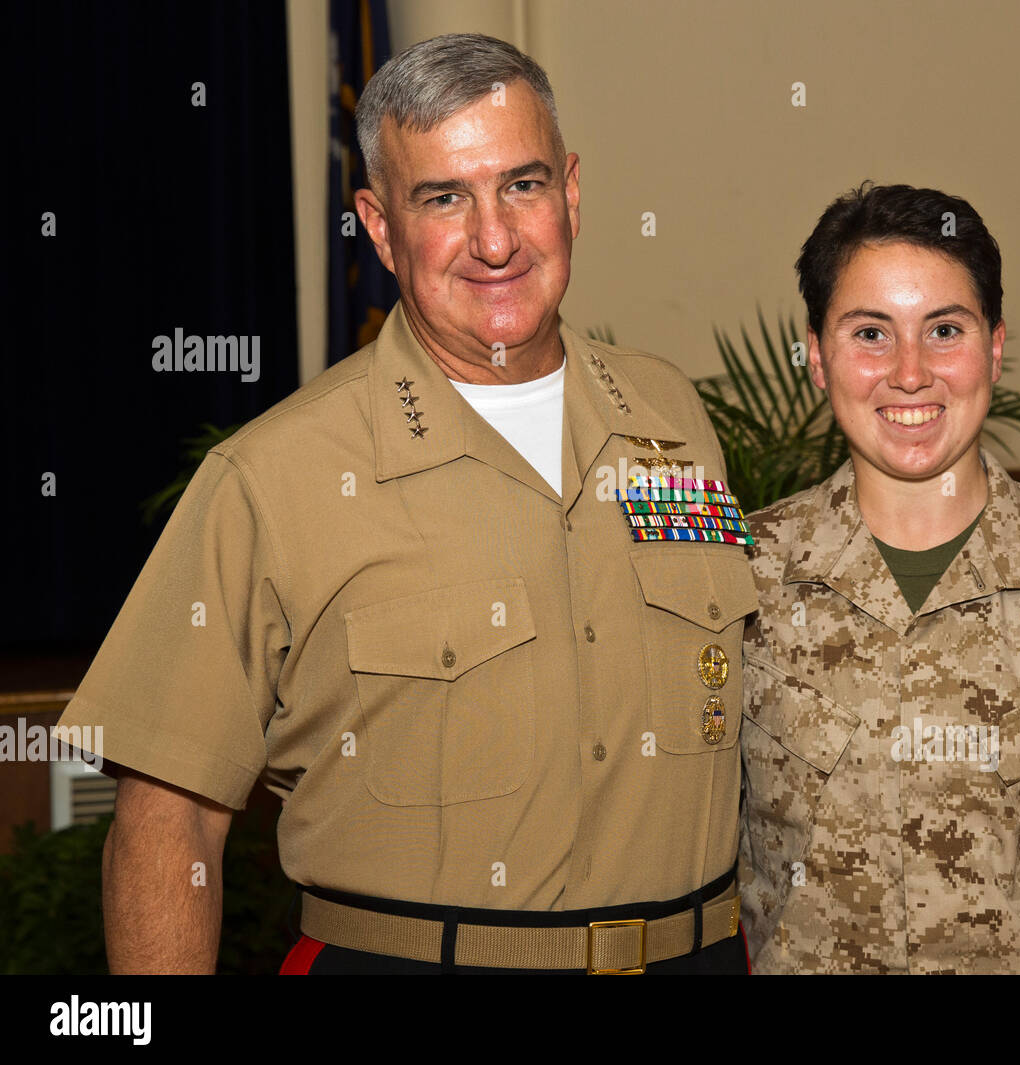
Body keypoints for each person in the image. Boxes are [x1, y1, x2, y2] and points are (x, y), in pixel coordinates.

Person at [57, 33, 757, 975]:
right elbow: (165, 818)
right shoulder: (275, 476)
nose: (495, 239)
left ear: (574, 193)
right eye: (443, 198)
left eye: (523, 184)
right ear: (380, 228)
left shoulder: (674, 420)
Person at [738, 182, 1020, 974]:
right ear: (817, 357)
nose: (911, 373)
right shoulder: (741, 581)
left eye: (944, 330)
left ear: (993, 348)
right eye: (870, 333)